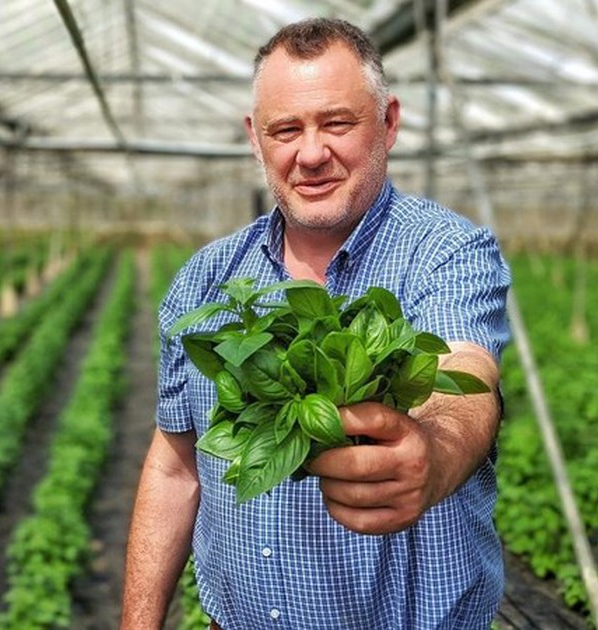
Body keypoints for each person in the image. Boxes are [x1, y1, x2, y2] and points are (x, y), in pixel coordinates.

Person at [121, 17, 512, 630]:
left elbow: (465, 372)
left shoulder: (445, 252)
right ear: (256, 139)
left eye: (336, 123)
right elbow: (175, 467)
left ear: (388, 122)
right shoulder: (206, 280)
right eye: (285, 129)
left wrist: (432, 454)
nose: (310, 154)